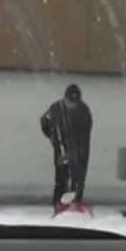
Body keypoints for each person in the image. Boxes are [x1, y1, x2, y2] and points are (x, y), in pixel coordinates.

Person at [39, 84, 94, 215]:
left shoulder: (84, 110)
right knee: (61, 176)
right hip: (61, 147)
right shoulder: (55, 108)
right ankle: (58, 203)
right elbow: (44, 122)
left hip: (80, 148)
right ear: (65, 99)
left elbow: (86, 132)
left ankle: (76, 202)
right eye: (70, 102)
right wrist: (53, 138)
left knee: (78, 175)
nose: (72, 105)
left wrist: (78, 151)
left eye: (75, 103)